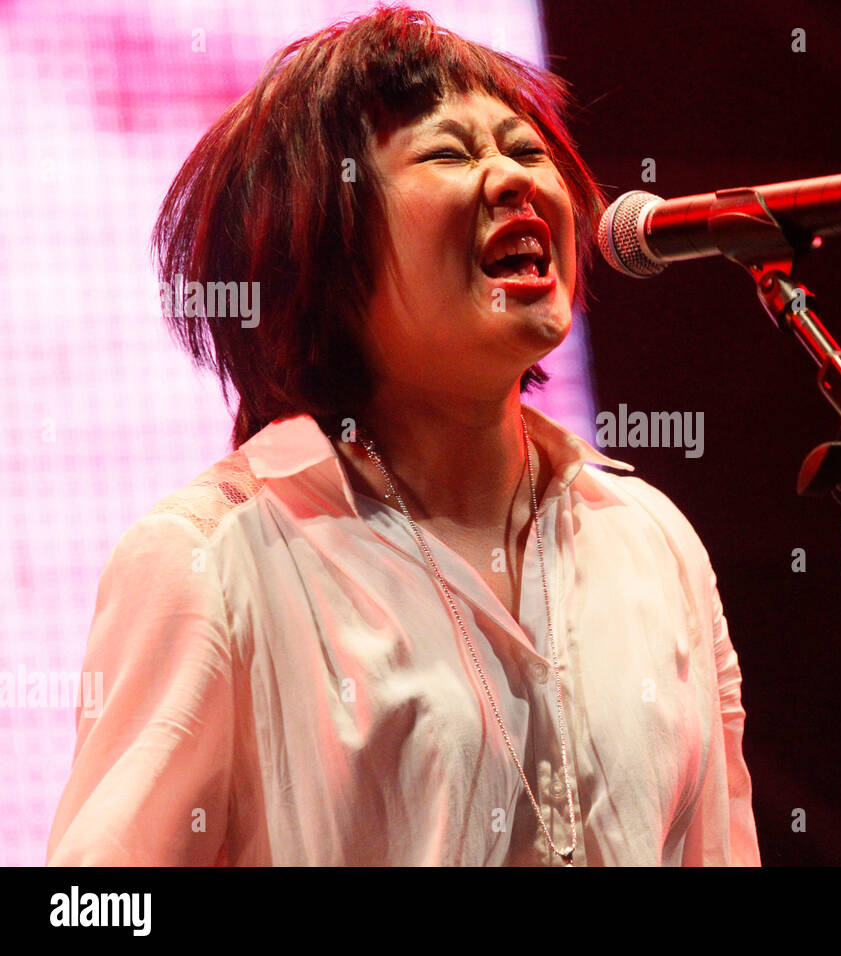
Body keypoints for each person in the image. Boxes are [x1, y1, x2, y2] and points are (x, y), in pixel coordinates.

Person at [46, 5, 759, 866]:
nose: (512, 178)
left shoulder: (650, 541)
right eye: (450, 153)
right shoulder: (216, 559)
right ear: (320, 244)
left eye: (527, 149)